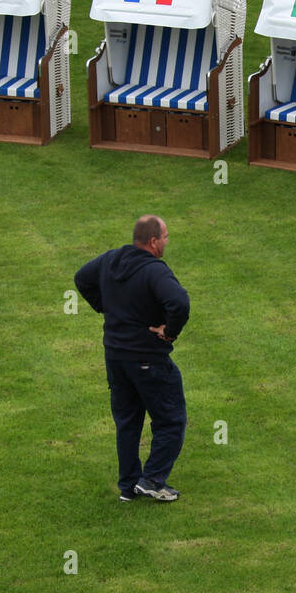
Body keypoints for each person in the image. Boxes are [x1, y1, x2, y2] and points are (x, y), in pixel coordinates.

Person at [74, 216, 190, 503]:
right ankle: (151, 480)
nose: (166, 241)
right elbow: (180, 303)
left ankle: (128, 486)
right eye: (165, 236)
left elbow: (81, 278)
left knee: (127, 421)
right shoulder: (155, 271)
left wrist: (106, 307)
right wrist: (169, 332)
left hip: (115, 357)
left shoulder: (111, 259)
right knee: (172, 419)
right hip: (148, 358)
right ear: (152, 241)